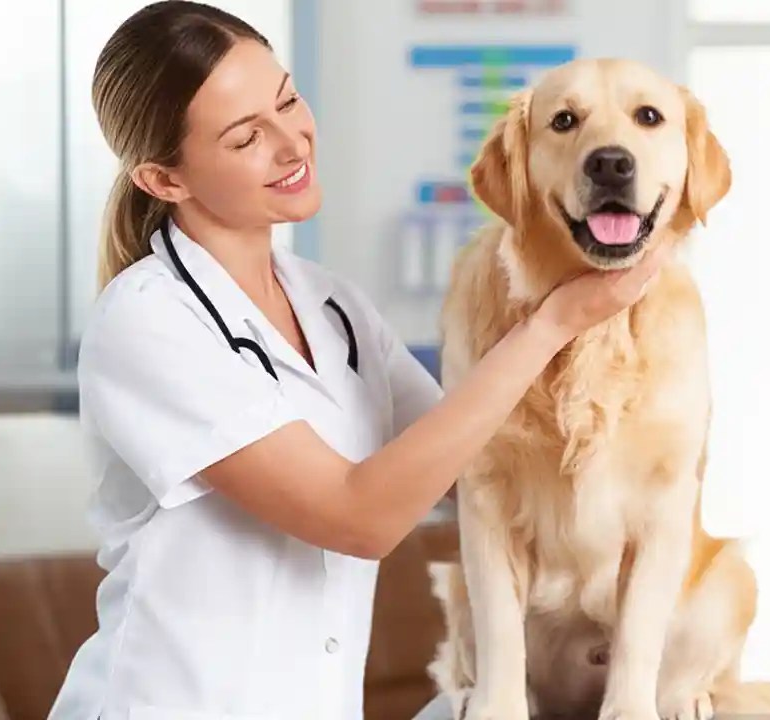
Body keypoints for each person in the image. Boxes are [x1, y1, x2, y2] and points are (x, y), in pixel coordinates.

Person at [47, 2, 668, 719]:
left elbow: (468, 466)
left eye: (286, 100)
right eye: (248, 136)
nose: (292, 143)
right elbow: (359, 517)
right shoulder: (147, 320)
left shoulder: (331, 305)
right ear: (165, 181)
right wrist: (550, 326)